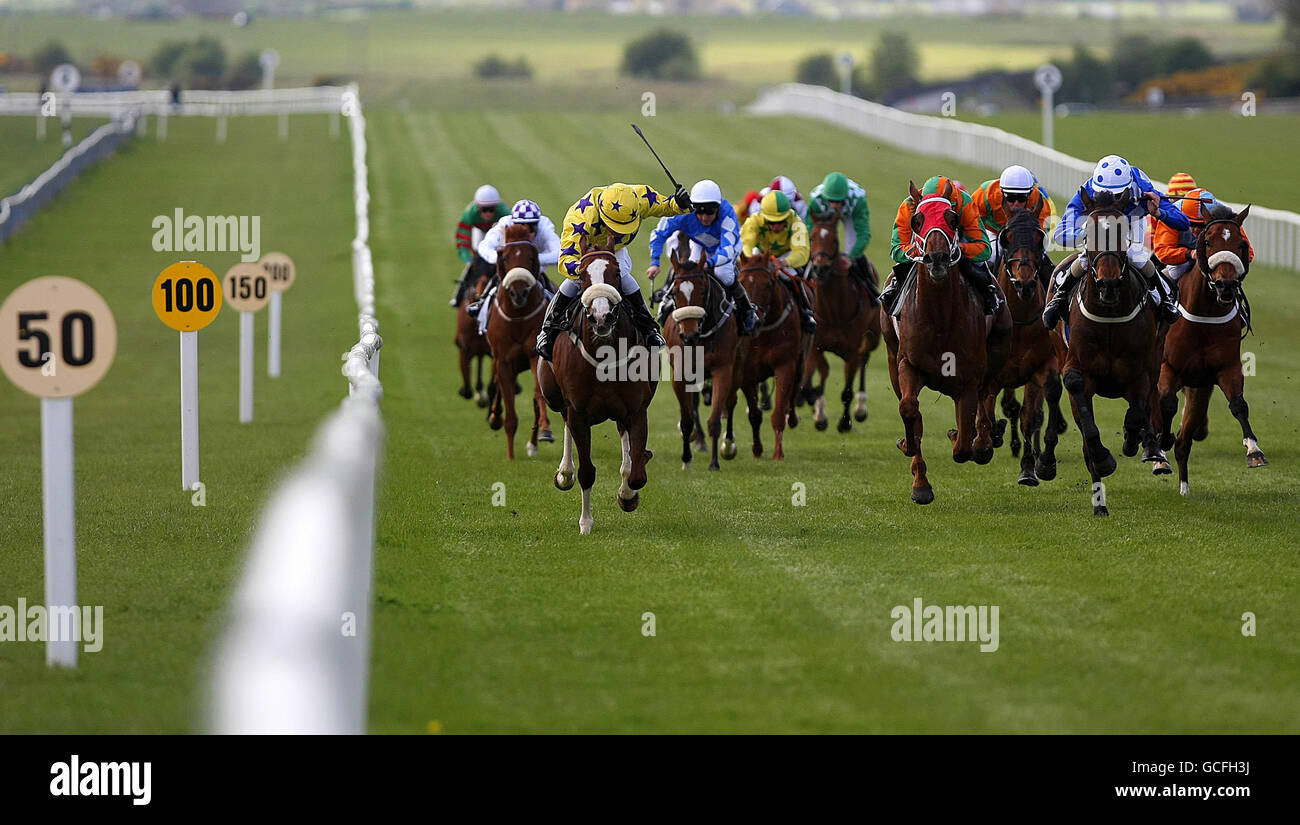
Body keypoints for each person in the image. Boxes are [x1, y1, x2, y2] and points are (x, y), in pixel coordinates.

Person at [535, 181, 691, 360]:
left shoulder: (639, 199)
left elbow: (665, 206)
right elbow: (565, 259)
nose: (618, 233)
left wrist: (679, 203)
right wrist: (584, 270)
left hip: (614, 250)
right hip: (585, 253)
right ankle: (547, 330)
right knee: (573, 282)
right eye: (615, 227)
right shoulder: (579, 217)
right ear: (602, 215)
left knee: (623, 277)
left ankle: (649, 328)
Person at [1043, 155, 1188, 328]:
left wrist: (1159, 213)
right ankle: (1060, 296)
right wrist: (1087, 233)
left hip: (1131, 219)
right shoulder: (1088, 191)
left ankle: (1164, 300)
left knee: (1135, 256)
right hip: (1098, 222)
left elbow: (1183, 222)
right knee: (1085, 257)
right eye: (1105, 195)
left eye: (1118, 195)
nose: (1112, 200)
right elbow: (1060, 234)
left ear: (1128, 188)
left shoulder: (1143, 187)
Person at [878, 175, 1000, 315]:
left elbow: (984, 250)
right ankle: (893, 291)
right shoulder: (909, 205)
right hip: (921, 246)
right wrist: (919, 250)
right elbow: (896, 250)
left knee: (981, 269)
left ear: (953, 202)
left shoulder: (964, 202)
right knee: (899, 270)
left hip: (955, 243)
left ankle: (990, 294)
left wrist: (959, 248)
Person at [647, 180, 756, 335]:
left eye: (710, 212)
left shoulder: (728, 214)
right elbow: (659, 233)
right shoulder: (683, 214)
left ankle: (747, 311)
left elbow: (727, 249)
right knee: (686, 271)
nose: (704, 218)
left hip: (725, 248)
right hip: (700, 244)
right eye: (700, 212)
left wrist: (709, 263)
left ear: (718, 209)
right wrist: (655, 262)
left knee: (723, 274)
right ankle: (666, 299)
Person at [467, 199, 561, 333]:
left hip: (534, 272)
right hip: (508, 271)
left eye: (531, 226)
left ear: (537, 224)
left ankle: (559, 314)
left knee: (551, 288)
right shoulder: (504, 224)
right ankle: (481, 306)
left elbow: (559, 253)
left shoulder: (544, 226)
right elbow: (484, 246)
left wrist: (528, 260)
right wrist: (501, 259)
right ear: (513, 223)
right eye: (521, 226)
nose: (526, 231)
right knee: (493, 283)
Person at [739, 190, 817, 333]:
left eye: (780, 222)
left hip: (784, 256)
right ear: (764, 217)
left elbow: (802, 252)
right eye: (771, 222)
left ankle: (806, 312)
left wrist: (785, 262)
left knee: (790, 275)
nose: (776, 227)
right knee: (745, 276)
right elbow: (745, 245)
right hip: (759, 255)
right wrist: (752, 261)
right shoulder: (754, 220)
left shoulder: (796, 223)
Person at [970, 164, 1056, 288]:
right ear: (1002, 193)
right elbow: (971, 218)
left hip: (1026, 235)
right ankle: (985, 290)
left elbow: (1041, 232)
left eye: (1021, 199)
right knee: (992, 254)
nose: (1016, 204)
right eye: (1011, 198)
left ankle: (1055, 298)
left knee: (1044, 264)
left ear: (1029, 194)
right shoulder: (987, 193)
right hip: (993, 231)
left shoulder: (1038, 200)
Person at [1151, 187, 1254, 283]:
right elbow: (1162, 252)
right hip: (1179, 262)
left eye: (1201, 225)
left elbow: (1248, 253)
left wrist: (1222, 257)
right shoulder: (1172, 216)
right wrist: (1190, 254)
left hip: (1215, 262)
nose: (1196, 229)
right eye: (1191, 224)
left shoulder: (1227, 219)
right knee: (1172, 272)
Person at [805, 171, 878, 303]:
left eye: (839, 202)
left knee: (852, 251)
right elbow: (809, 230)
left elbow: (863, 234)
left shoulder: (857, 199)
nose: (835, 205)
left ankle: (871, 291)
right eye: (831, 201)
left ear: (845, 197)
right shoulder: (816, 199)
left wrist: (851, 257)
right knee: (817, 249)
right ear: (825, 198)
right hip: (823, 217)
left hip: (851, 213)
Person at [449, 184, 510, 307]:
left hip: (498, 231)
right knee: (472, 265)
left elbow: (510, 237)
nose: (488, 214)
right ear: (478, 208)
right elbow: (462, 238)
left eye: (491, 209)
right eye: (484, 210)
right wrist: (468, 258)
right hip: (479, 232)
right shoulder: (470, 214)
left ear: (497, 207)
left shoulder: (505, 213)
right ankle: (458, 296)